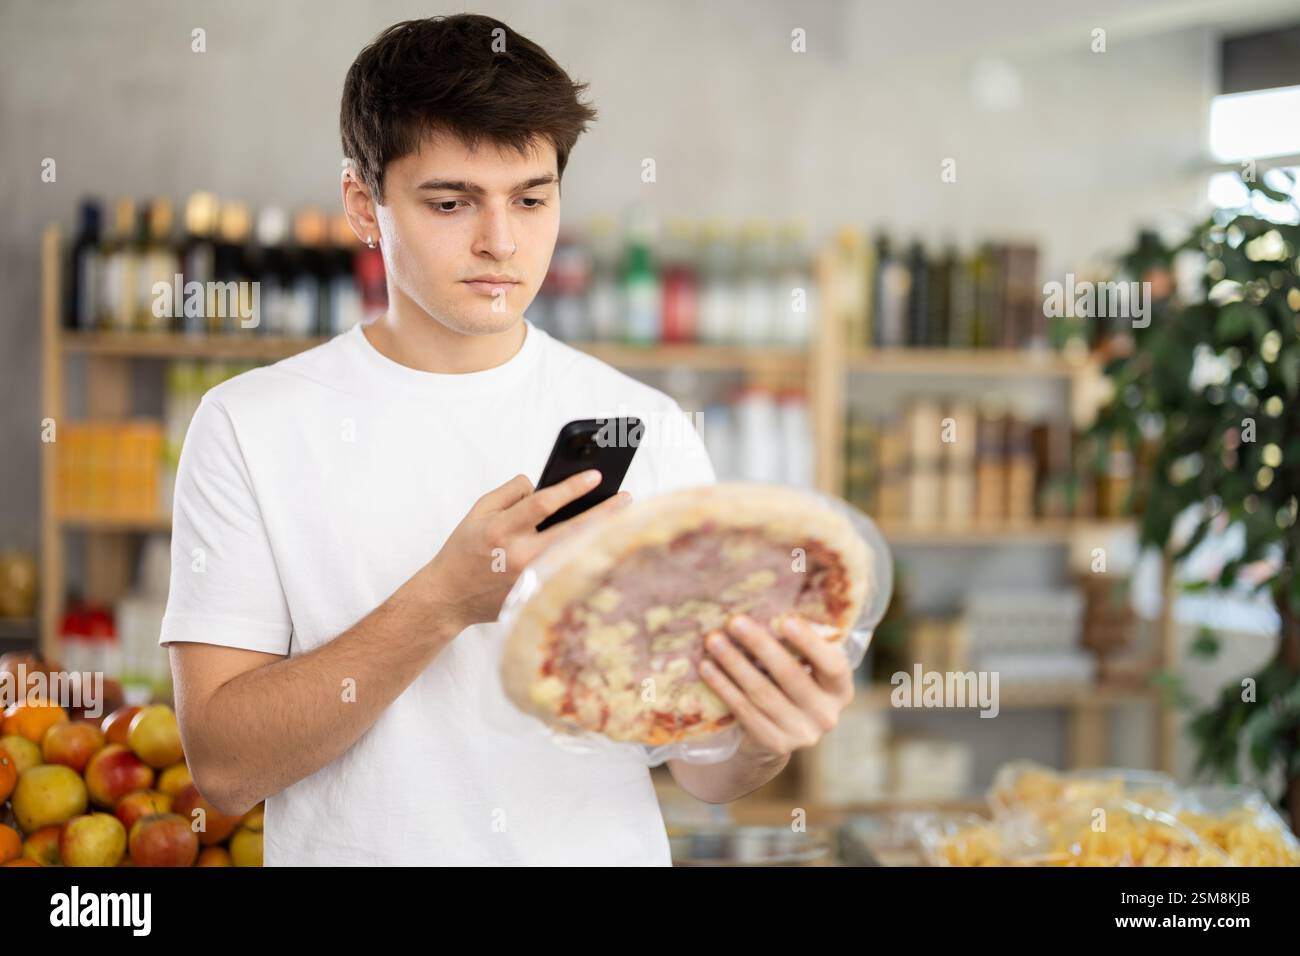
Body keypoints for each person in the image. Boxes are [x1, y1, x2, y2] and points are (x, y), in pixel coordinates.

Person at [162, 13, 854, 866]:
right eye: (451, 202)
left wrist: (763, 732)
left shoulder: (645, 425)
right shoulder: (250, 425)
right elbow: (225, 767)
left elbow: (696, 764)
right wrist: (444, 601)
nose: (501, 241)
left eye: (531, 199)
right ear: (362, 206)